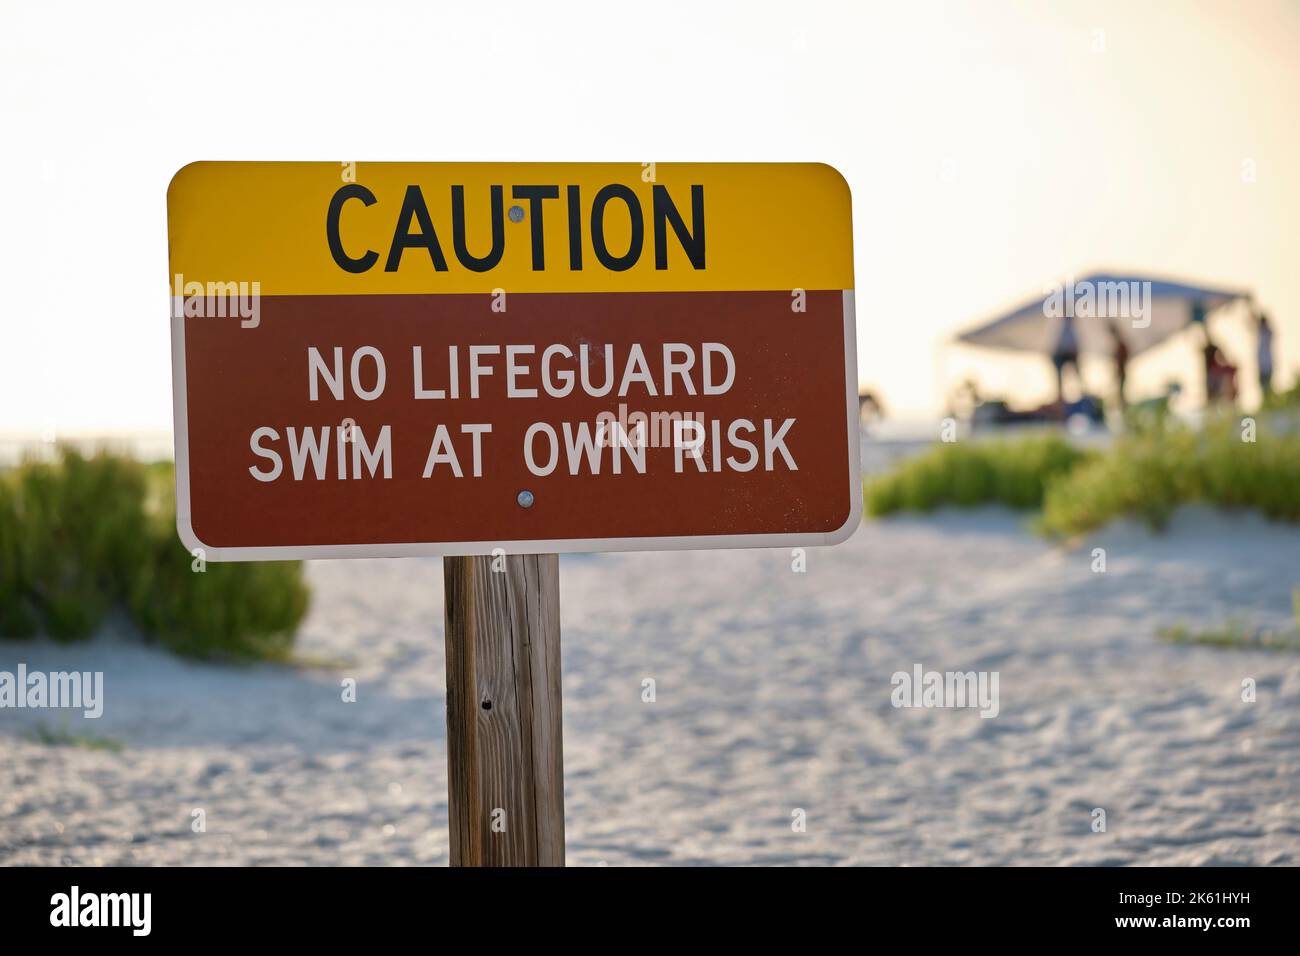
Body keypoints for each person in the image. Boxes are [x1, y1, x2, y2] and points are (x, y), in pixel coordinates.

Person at [1051, 314, 1080, 410]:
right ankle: (1060, 400)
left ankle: (1079, 395)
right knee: (1060, 381)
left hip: (1068, 355)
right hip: (1063, 355)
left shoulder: (1071, 329)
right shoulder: (1063, 329)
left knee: (1076, 378)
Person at [1108, 319, 1129, 410]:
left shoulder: (1121, 344)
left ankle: (1123, 408)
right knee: (1119, 392)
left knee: (1121, 393)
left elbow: (1122, 358)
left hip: (1121, 371)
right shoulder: (1119, 344)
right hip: (1120, 371)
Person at [1257, 312, 1275, 396]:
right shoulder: (1261, 333)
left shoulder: (1267, 332)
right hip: (1262, 365)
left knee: (1266, 385)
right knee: (1263, 386)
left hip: (1266, 364)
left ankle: (1269, 399)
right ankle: (1267, 399)